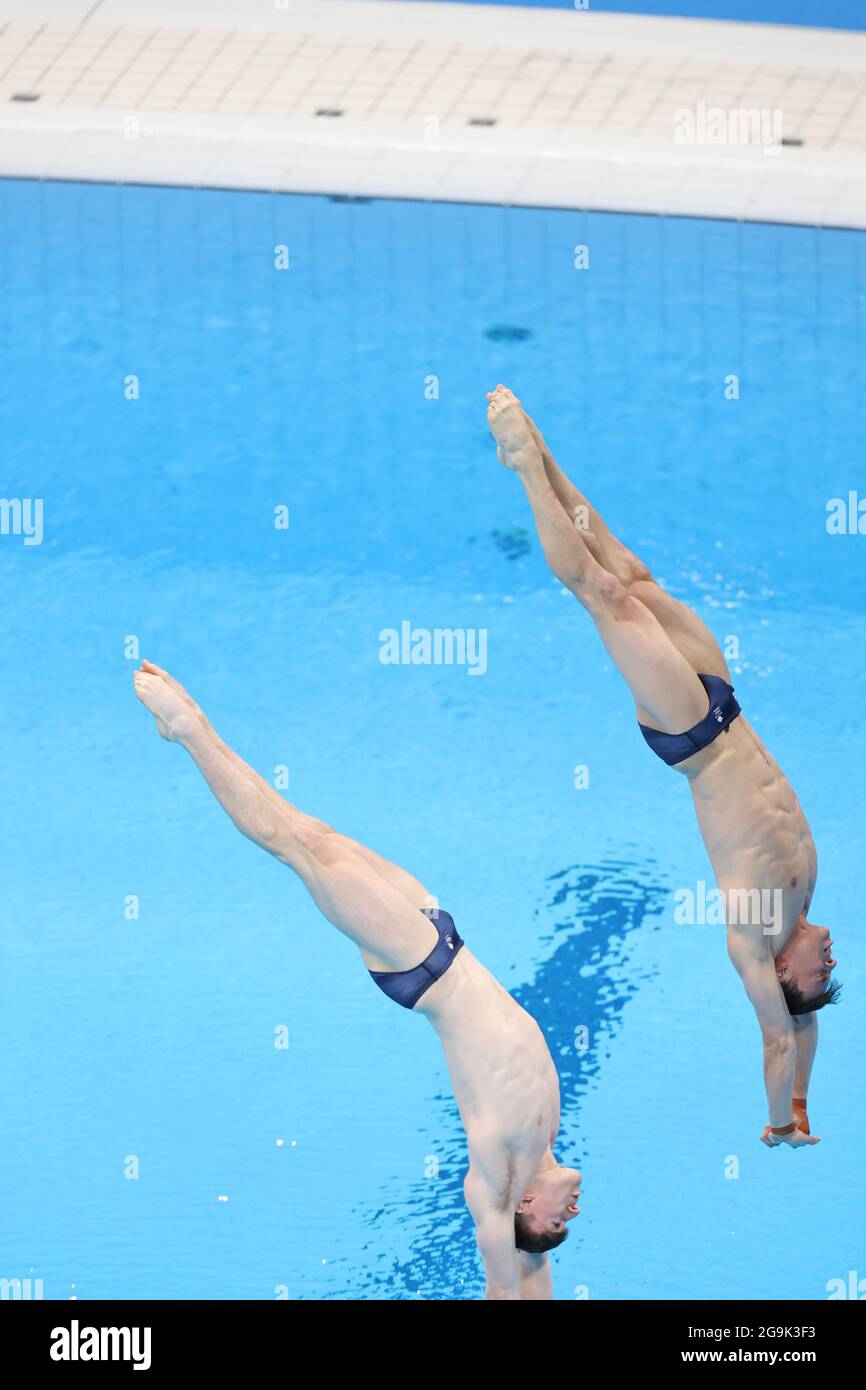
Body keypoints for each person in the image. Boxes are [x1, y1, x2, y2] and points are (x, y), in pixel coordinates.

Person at [133, 659, 582, 1298]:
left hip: (420, 965)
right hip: (442, 937)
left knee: (292, 844)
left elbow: (507, 1279)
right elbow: (538, 1275)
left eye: (556, 1225)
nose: (572, 1218)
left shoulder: (495, 1180)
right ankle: (187, 731)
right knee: (313, 833)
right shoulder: (539, 1141)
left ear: (524, 1207)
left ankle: (190, 730)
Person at [487, 384, 838, 1149]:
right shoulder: (805, 893)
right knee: (629, 567)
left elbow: (781, 1038)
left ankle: (519, 466)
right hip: (726, 703)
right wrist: (808, 1097)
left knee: (604, 593)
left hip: (693, 737)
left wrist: (781, 1122)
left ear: (787, 981)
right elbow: (805, 1037)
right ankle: (541, 448)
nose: (834, 963)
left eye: (821, 979)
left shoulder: (753, 934)